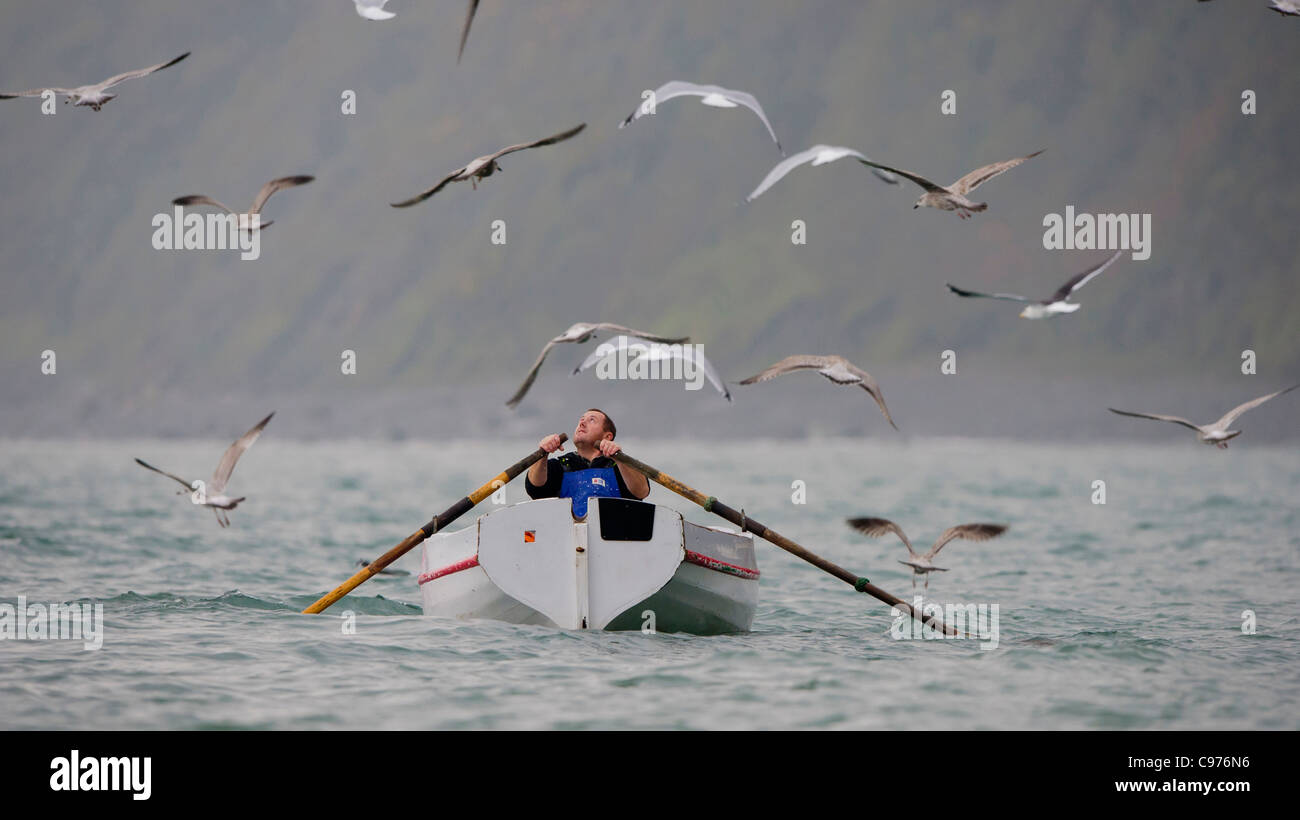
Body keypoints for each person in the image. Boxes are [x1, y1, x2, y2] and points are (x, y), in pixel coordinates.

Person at [526, 408, 649, 516]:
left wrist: (620, 459)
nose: (582, 423)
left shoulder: (622, 468)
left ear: (607, 437)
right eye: (581, 419)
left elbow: (641, 492)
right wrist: (543, 453)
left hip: (613, 537)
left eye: (592, 420)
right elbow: (535, 488)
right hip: (568, 537)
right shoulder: (558, 466)